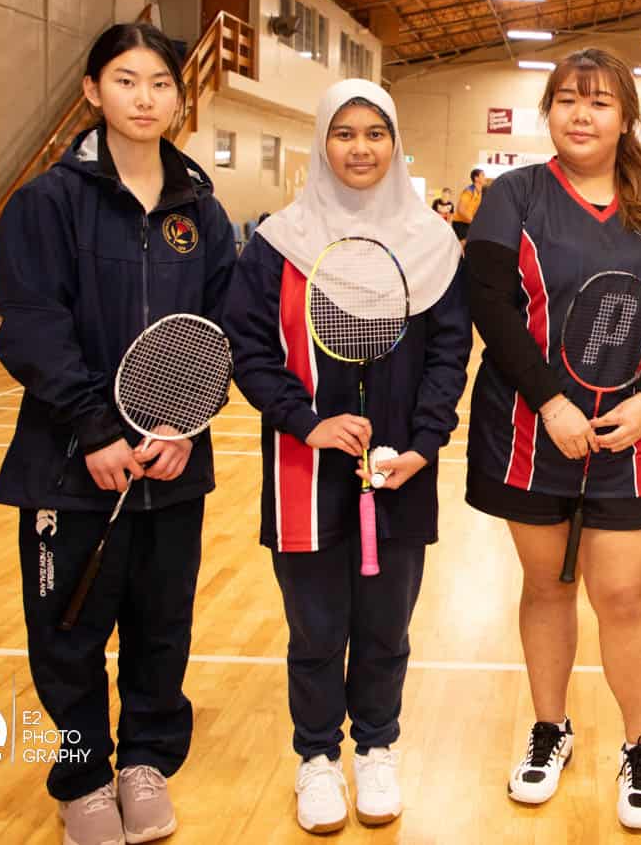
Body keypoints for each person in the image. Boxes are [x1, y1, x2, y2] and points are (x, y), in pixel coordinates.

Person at [0, 22, 236, 845]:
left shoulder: (202, 208)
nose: (145, 98)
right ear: (93, 91)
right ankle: (83, 778)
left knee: (162, 619)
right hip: (69, 461)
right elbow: (30, 327)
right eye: (126, 80)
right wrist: (95, 427)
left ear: (179, 94)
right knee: (67, 628)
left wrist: (183, 421)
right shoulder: (47, 201)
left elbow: (222, 327)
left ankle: (145, 761)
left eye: (161, 83)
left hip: (173, 458)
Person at [224, 79, 470, 835]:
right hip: (304, 466)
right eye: (344, 132)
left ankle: (377, 747)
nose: (360, 148)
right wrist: (305, 421)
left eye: (375, 133)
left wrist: (425, 443)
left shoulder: (433, 246)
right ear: (321, 143)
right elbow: (250, 349)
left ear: (395, 144)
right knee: (316, 627)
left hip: (400, 471)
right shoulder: (278, 243)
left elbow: (450, 352)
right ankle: (316, 758)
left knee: (387, 627)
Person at [464, 49, 641, 831]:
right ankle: (550, 727)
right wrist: (553, 402)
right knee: (546, 587)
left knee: (623, 594)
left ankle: (640, 747)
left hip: (628, 429)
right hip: (531, 427)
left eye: (598, 101)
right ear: (548, 111)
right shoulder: (514, 194)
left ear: (625, 114)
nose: (581, 114)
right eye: (566, 99)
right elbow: (491, 305)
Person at [453, 168, 486, 241]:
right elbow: (460, 210)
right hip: (460, 223)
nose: (485, 178)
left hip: (468, 223)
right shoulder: (469, 191)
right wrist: (473, 221)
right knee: (464, 244)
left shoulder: (480, 192)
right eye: (483, 175)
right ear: (476, 178)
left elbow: (475, 210)